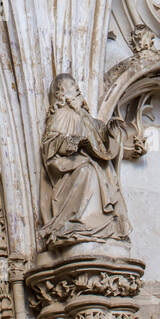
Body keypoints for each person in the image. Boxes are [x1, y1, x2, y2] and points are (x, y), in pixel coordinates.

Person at [38, 73, 134, 246]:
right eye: (71, 85)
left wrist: (111, 131)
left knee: (101, 172)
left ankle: (102, 225)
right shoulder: (61, 115)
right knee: (87, 171)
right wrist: (70, 143)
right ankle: (78, 221)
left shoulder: (85, 116)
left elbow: (100, 136)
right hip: (69, 166)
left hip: (90, 161)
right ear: (61, 93)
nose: (76, 88)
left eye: (76, 85)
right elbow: (49, 144)